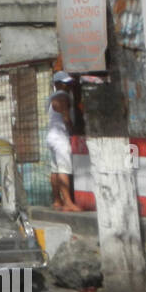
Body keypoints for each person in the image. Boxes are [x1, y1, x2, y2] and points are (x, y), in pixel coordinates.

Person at [47, 72, 82, 212]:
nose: (67, 86)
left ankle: (57, 201)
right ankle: (68, 202)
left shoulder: (51, 98)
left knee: (55, 170)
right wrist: (73, 131)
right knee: (64, 170)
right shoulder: (62, 96)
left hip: (51, 136)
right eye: (65, 84)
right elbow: (66, 118)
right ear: (58, 84)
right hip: (60, 137)